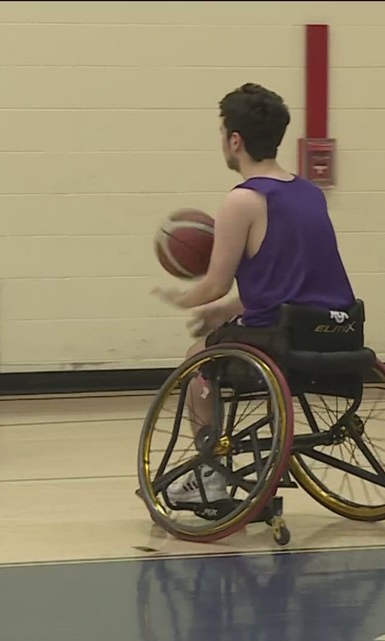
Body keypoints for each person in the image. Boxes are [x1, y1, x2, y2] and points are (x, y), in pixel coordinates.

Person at [152, 83, 356, 504]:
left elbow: (215, 283)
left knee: (197, 358)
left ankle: (210, 472)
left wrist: (183, 298)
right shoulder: (309, 194)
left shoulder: (242, 201)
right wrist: (227, 309)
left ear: (235, 140)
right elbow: (291, 282)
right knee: (223, 330)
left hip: (280, 342)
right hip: (336, 332)